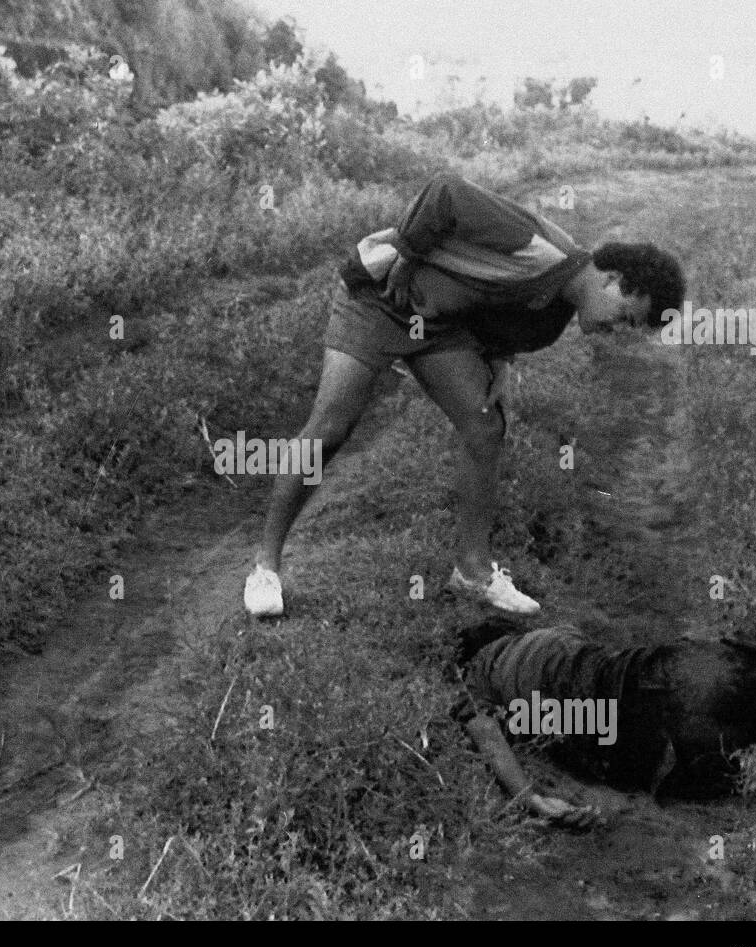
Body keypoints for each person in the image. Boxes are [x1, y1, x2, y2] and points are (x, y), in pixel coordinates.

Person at [244, 173, 685, 618]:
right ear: (613, 280)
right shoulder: (539, 248)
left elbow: (499, 315)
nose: (618, 331)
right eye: (627, 319)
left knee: (485, 427)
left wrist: (497, 364)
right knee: (331, 428)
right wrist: (407, 255)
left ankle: (472, 573)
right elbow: (445, 191)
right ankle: (266, 568)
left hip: (436, 327)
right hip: (379, 300)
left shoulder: (558, 309)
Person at [448, 617, 756, 828]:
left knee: (749, 740)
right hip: (651, 680)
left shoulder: (480, 676)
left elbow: (485, 732)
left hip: (635, 749)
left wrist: (532, 799)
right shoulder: (548, 636)